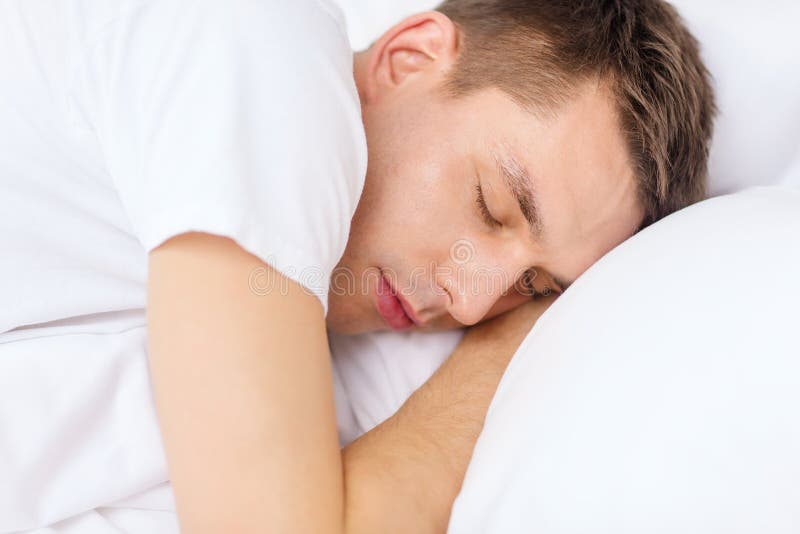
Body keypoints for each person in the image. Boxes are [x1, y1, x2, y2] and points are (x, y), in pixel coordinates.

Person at [0, 0, 714, 532]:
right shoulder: (262, 46)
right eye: (491, 205)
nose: (469, 304)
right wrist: (502, 354)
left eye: (532, 287)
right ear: (410, 57)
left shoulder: (316, 370)